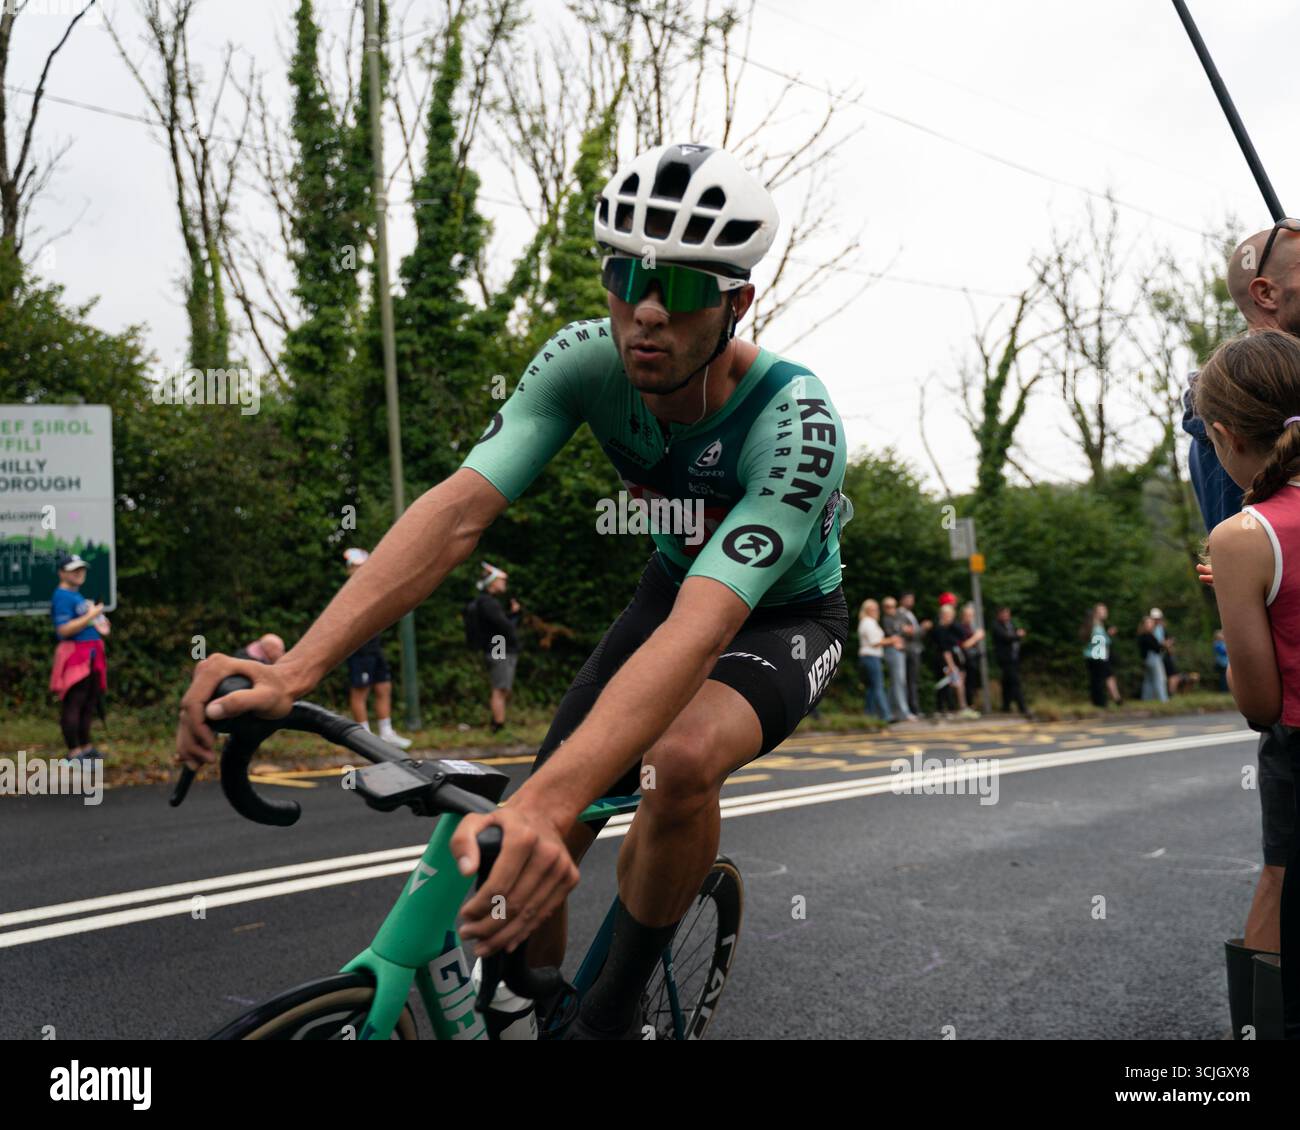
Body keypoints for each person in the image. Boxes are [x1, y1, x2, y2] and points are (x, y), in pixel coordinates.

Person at [175, 143, 850, 1040]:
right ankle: (528, 1004)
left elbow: (707, 625)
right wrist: (297, 669)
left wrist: (547, 802)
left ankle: (611, 1013)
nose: (646, 313)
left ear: (736, 303)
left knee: (675, 764)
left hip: (781, 616)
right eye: (625, 276)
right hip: (673, 587)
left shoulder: (794, 419)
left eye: (683, 290)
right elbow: (457, 513)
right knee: (537, 825)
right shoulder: (585, 360)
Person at [1184, 226, 1300, 1034]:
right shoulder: (1221, 416)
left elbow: (1259, 700)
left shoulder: (1245, 532)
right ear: (1265, 293)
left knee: (1283, 879)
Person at [341, 548, 411, 749]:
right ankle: (362, 738)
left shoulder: (370, 590)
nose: (362, 571)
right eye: (357, 567)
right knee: (360, 692)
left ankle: (386, 732)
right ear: (350, 569)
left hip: (374, 646)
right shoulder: (348, 593)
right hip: (358, 649)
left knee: (383, 687)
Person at [49, 554, 109, 762]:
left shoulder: (78, 596)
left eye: (81, 569)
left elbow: (98, 626)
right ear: (62, 573)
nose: (79, 573)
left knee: (89, 701)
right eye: (74, 569)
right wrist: (91, 616)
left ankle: (86, 746)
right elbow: (64, 629)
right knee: (74, 701)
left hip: (92, 654)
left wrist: (99, 620)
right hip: (76, 656)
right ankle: (74, 751)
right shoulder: (61, 596)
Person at [472, 562, 523, 733]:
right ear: (492, 583)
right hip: (499, 648)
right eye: (501, 580)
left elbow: (500, 624)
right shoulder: (488, 603)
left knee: (503, 687)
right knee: (500, 688)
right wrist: (514, 617)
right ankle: (497, 726)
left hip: (499, 647)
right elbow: (504, 627)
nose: (504, 584)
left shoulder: (490, 603)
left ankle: (498, 721)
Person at [931, 601, 976, 720]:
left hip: (955, 659)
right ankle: (944, 709)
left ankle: (959, 707)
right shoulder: (939, 629)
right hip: (944, 660)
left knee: (958, 683)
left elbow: (962, 635)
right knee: (947, 684)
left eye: (951, 615)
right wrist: (951, 665)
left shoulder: (951, 628)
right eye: (947, 615)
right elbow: (945, 649)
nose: (949, 618)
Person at [880, 596, 916, 722]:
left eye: (893, 606)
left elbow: (909, 631)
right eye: (888, 607)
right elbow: (892, 636)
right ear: (884, 608)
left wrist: (907, 631)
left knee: (895, 682)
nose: (891, 609)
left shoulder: (897, 617)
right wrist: (901, 634)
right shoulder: (886, 620)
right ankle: (904, 712)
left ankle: (890, 711)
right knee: (899, 681)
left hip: (900, 651)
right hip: (892, 651)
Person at [991, 605, 1030, 717]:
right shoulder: (997, 626)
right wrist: (1017, 635)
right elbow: (1007, 637)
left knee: (1007, 683)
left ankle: (1005, 707)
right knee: (1015, 682)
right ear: (999, 614)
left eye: (1008, 613)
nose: (1006, 616)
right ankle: (1023, 707)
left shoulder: (1010, 624)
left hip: (1014, 658)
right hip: (1005, 659)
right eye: (1004, 613)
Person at [857, 598, 892, 722]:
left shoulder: (869, 622)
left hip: (869, 657)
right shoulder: (868, 622)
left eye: (876, 608)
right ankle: (886, 715)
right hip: (870, 657)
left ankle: (869, 714)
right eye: (872, 609)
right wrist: (892, 640)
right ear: (866, 610)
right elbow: (875, 642)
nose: (875, 611)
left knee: (872, 688)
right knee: (878, 687)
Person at [1082, 603, 1121, 708]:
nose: (1105, 613)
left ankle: (1116, 699)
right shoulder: (1096, 626)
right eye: (1102, 611)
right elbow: (1100, 641)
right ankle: (1100, 702)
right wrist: (1108, 636)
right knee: (1098, 681)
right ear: (1096, 613)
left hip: (1096, 656)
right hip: (1097, 656)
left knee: (1105, 677)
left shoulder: (1096, 625)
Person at [898, 591, 929, 718]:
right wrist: (922, 628)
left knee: (913, 680)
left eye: (912, 599)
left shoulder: (909, 613)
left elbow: (913, 632)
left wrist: (918, 630)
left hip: (915, 649)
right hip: (909, 650)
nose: (911, 602)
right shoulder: (900, 613)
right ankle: (912, 708)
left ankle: (914, 708)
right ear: (902, 600)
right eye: (908, 599)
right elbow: (907, 632)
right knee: (910, 681)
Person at [957, 601, 986, 707]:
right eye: (968, 615)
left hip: (973, 658)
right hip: (965, 659)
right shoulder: (960, 628)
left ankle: (972, 704)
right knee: (967, 683)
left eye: (972, 615)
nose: (970, 618)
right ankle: (969, 705)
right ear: (963, 616)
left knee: (974, 683)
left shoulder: (971, 627)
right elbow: (964, 645)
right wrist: (976, 637)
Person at [1137, 616, 1168, 703]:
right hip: (1153, 659)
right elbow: (1156, 648)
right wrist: (1164, 645)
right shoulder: (1147, 635)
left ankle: (1146, 699)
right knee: (1159, 679)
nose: (1150, 625)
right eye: (1148, 623)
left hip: (1147, 660)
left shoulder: (1145, 635)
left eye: (1151, 623)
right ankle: (1163, 700)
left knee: (1148, 680)